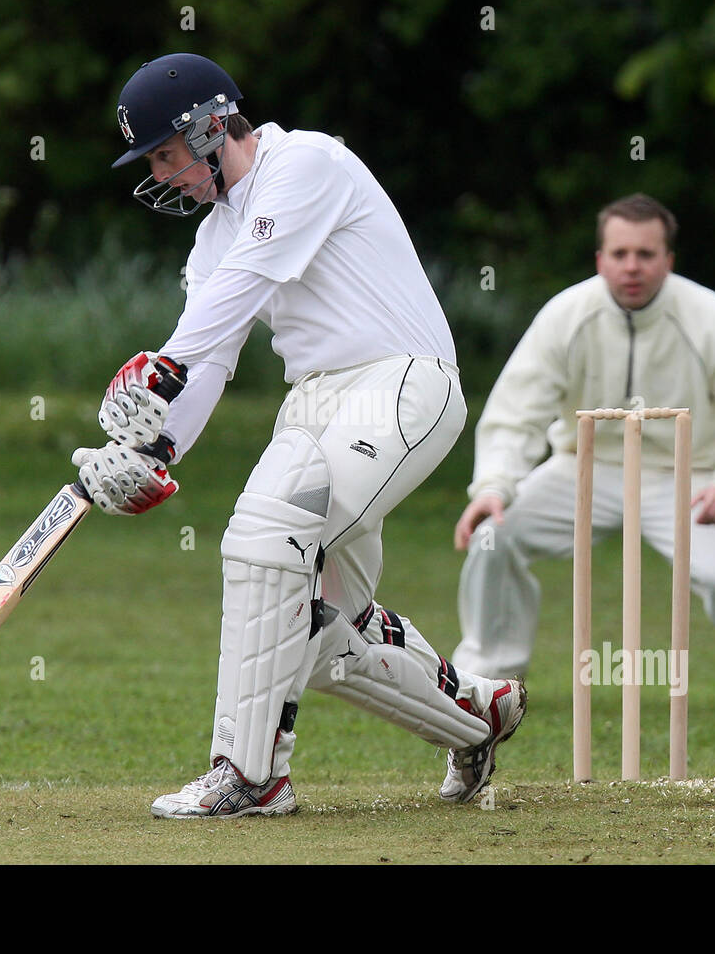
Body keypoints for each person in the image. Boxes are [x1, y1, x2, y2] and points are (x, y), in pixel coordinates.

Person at [71, 52, 525, 819]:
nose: (163, 175)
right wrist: (150, 450)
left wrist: (165, 367)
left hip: (400, 384)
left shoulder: (306, 161)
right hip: (313, 404)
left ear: (213, 126)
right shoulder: (213, 236)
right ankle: (478, 716)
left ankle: (250, 775)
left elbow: (240, 291)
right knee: (321, 623)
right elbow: (211, 354)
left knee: (264, 540)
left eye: (166, 154)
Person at [452, 193, 715, 721]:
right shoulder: (567, 315)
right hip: (584, 468)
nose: (632, 266)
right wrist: (494, 487)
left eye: (646, 254)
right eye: (620, 253)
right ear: (600, 259)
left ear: (668, 260)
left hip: (687, 475)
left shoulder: (708, 318)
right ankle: (488, 682)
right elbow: (516, 413)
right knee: (495, 534)